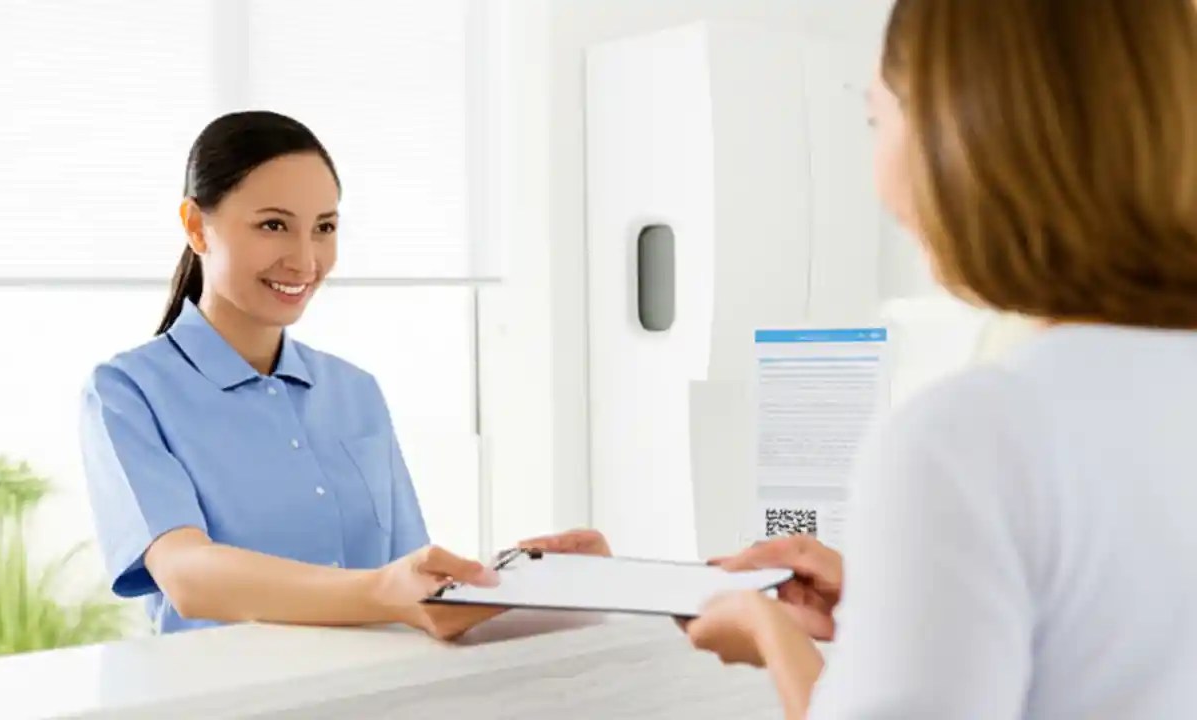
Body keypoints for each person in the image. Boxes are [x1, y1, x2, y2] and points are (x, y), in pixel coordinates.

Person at [684, 0, 1197, 716]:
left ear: (963, 129)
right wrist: (905, 595)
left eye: (876, 120)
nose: (879, 176)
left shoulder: (970, 434)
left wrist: (769, 632)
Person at [79, 110, 605, 637]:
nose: (305, 260)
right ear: (197, 226)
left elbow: (412, 586)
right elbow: (188, 576)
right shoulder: (127, 393)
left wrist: (528, 583)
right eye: (273, 225)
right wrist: (382, 592)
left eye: (324, 228)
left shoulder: (355, 392)